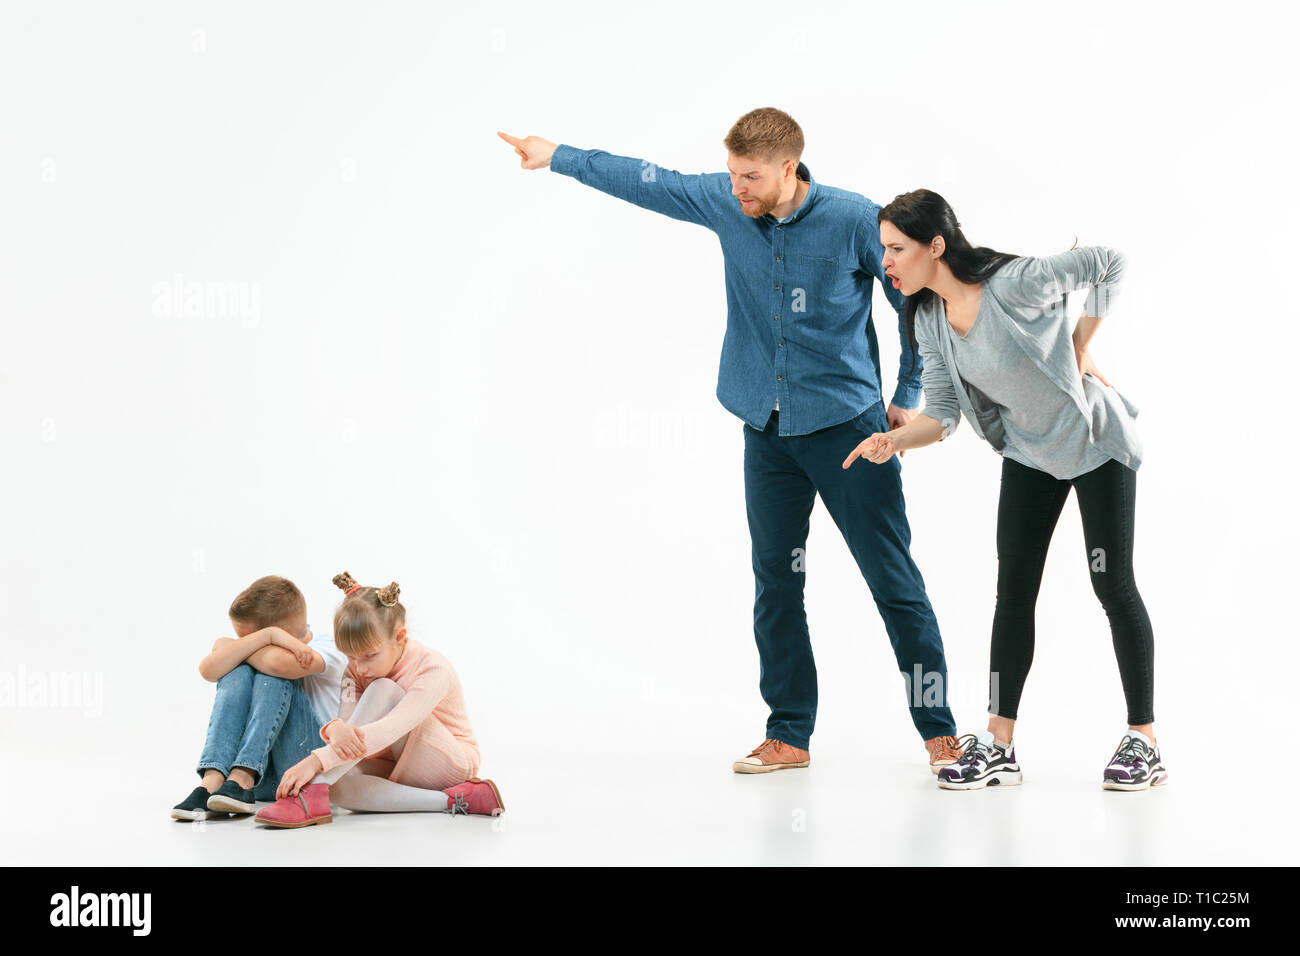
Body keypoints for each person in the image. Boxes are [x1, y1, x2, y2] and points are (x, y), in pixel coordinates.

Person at [499, 108, 965, 774]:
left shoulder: (855, 220)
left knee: (893, 580)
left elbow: (916, 298)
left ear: (788, 167)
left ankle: (940, 733)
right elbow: (646, 180)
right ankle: (789, 734)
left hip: (849, 429)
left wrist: (909, 393)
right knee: (777, 582)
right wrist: (558, 155)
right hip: (767, 429)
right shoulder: (728, 202)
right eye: (731, 173)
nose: (736, 187)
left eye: (749, 176)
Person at [844, 188, 1167, 791]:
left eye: (895, 249)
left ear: (934, 246)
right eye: (882, 249)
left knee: (1112, 583)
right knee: (1012, 592)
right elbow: (941, 416)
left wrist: (1080, 342)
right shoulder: (928, 321)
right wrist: (894, 441)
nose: (884, 262)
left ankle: (1143, 740)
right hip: (1029, 453)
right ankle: (999, 744)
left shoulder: (1013, 283)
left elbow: (1109, 261)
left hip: (1095, 444)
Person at [254, 572, 503, 826]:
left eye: (370, 655)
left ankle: (310, 793)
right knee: (336, 785)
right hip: (393, 762)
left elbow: (392, 728)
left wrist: (316, 760)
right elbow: (349, 730)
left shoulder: (432, 668)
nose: (359, 667)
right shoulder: (354, 672)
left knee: (384, 689)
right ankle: (453, 801)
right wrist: (337, 728)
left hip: (448, 763)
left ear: (400, 638)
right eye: (350, 657)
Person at [170, 575, 347, 820]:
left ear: (282, 633)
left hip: (306, 770)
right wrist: (265, 637)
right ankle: (213, 780)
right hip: (264, 779)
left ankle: (243, 776)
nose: (246, 644)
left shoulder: (327, 645)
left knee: (272, 674)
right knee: (238, 671)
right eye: (245, 640)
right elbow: (207, 670)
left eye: (250, 637)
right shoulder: (268, 641)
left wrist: (235, 647)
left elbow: (277, 663)